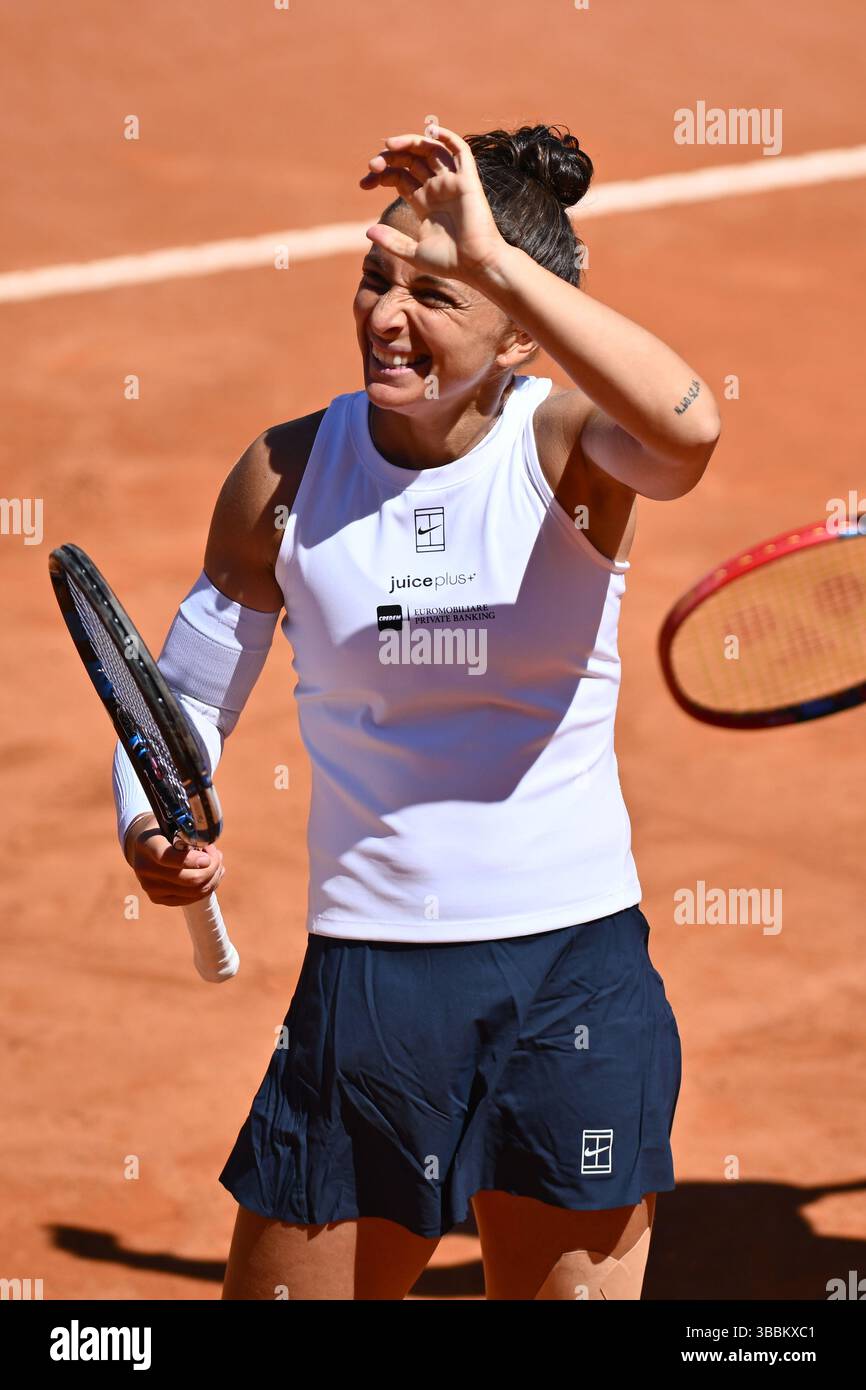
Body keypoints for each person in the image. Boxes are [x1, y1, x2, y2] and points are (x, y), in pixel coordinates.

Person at [114, 122, 720, 1300]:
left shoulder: (564, 452)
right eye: (374, 278)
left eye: (436, 294)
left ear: (517, 323)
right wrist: (150, 822)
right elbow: (181, 695)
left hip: (570, 980)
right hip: (371, 990)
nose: (386, 316)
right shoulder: (285, 476)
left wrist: (498, 263)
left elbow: (686, 425)